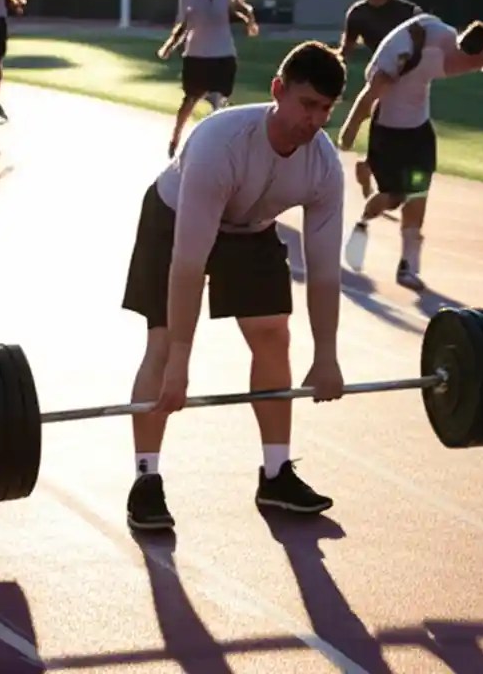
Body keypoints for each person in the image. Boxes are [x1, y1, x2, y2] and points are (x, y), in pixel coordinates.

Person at [120, 40, 348, 531]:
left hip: (251, 228)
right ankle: (146, 480)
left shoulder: (324, 165)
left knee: (273, 334)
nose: (315, 120)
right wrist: (183, 358)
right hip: (174, 218)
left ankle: (276, 473)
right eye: (307, 104)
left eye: (326, 109)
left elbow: (326, 269)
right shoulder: (219, 142)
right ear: (278, 91)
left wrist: (326, 354)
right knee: (161, 349)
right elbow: (188, 264)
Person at [337, 14, 483, 291]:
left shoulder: (464, 51)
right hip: (387, 133)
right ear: (479, 50)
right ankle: (363, 220)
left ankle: (408, 266)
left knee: (417, 193)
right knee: (393, 198)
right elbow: (371, 93)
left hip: (419, 132)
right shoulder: (410, 53)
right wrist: (349, 131)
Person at [157, 0, 260, 159]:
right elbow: (183, 24)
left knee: (220, 98)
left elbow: (238, 10)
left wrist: (249, 20)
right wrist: (170, 45)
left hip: (223, 51)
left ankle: (218, 143)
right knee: (190, 98)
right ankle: (175, 137)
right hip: (198, 52)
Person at [337, 0, 424, 199]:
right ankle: (354, 130)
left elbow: (421, 36)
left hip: (409, 71)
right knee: (380, 100)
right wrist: (335, 65)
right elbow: (348, 46)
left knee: (394, 123)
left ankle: (369, 164)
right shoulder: (358, 13)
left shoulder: (406, 11)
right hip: (382, 68)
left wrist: (414, 57)